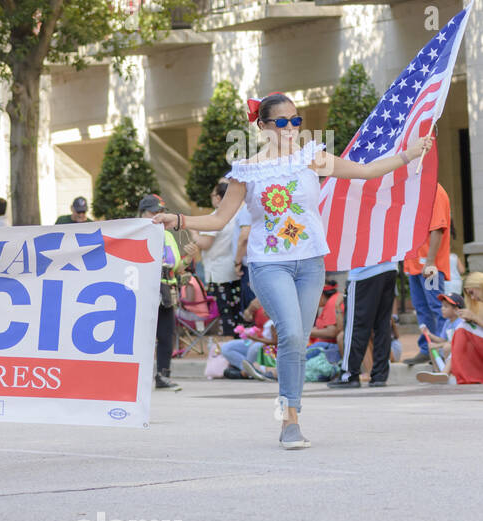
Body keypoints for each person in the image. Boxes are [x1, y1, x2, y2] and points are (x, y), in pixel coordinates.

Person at [151, 91, 433, 449]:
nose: (290, 128)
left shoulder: (311, 158)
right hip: (269, 264)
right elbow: (220, 219)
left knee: (299, 340)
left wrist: (409, 153)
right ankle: (290, 419)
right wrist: (176, 219)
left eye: (295, 120)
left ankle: (292, 409)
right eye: (281, 122)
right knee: (292, 335)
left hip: (311, 262)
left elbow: (364, 171)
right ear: (263, 125)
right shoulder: (246, 170)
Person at [186, 181, 246, 336]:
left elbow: (205, 243)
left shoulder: (216, 216)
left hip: (218, 272)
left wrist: (193, 233)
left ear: (219, 198)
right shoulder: (237, 214)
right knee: (236, 313)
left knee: (225, 313)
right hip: (233, 269)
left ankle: (228, 350)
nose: (211, 198)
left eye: (213, 194)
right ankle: (236, 344)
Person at [328, 257, 398, 388]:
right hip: (390, 267)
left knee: (355, 325)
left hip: (364, 270)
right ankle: (379, 375)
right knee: (382, 324)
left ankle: (349, 374)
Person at [403, 183, 451, 365]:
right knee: (422, 309)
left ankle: (441, 350)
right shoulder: (417, 190)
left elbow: (438, 228)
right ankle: (426, 349)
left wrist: (430, 261)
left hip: (429, 266)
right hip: (414, 264)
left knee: (437, 308)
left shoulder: (435, 190)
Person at [138, 194, 182, 390]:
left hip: (165, 291)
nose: (158, 216)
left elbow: (176, 264)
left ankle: (163, 375)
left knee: (165, 334)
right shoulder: (135, 233)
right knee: (140, 336)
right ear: (142, 214)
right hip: (142, 290)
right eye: (153, 212)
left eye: (161, 212)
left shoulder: (168, 235)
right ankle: (137, 376)